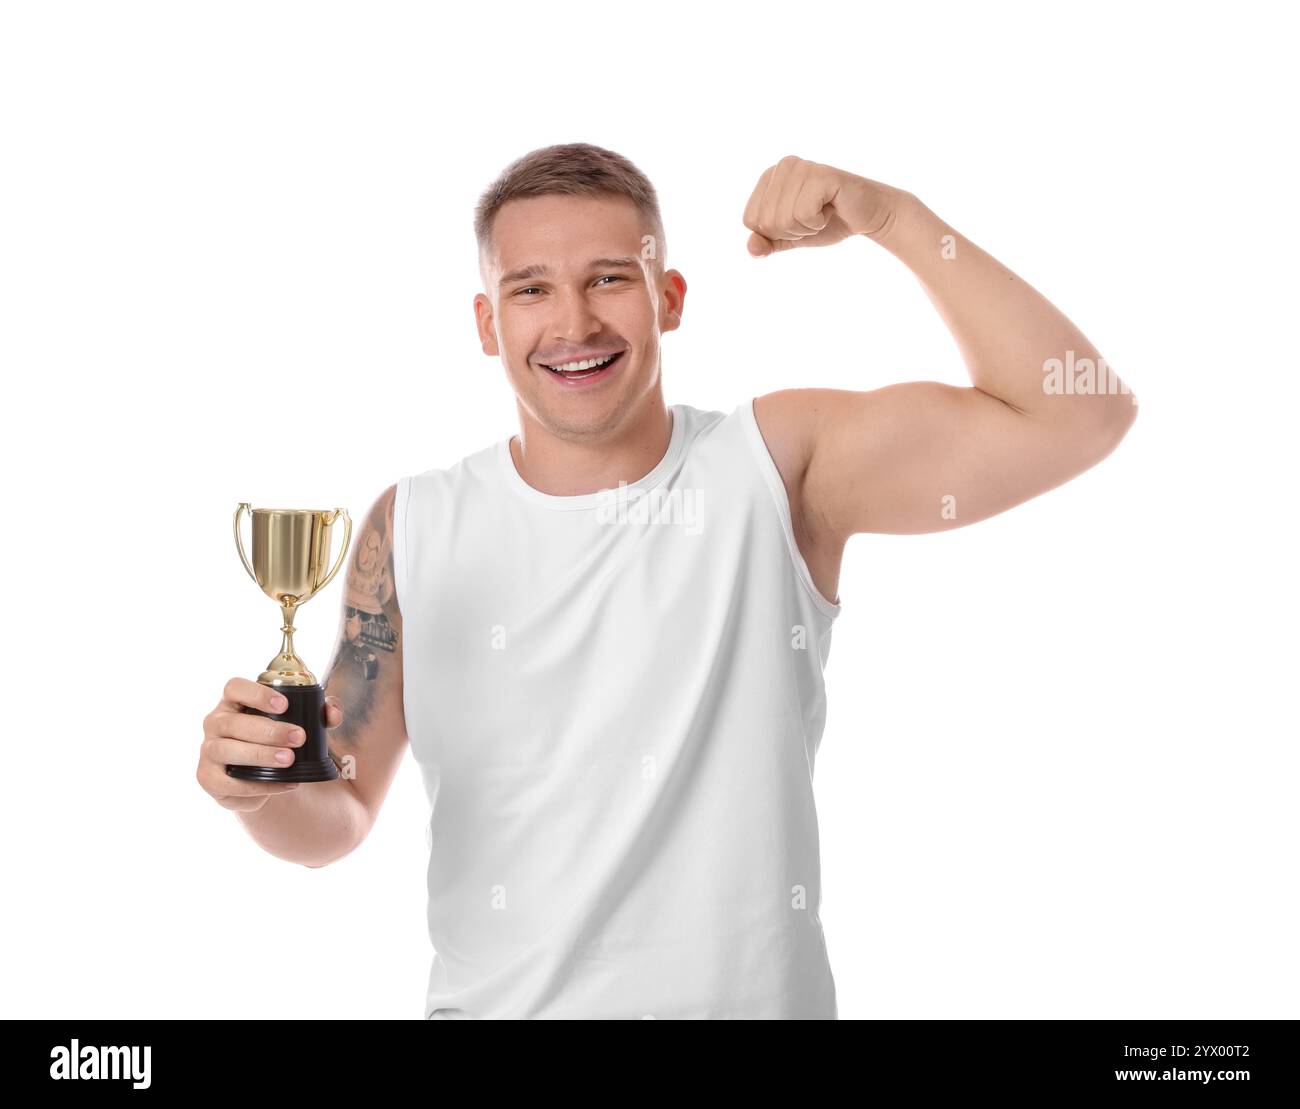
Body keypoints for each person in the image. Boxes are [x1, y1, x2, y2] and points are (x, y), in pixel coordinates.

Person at [197, 143, 1137, 1019]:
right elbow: (341, 809)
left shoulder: (774, 469)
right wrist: (260, 793)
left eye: (610, 277)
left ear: (670, 296)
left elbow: (1078, 413)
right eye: (531, 289)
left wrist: (892, 216)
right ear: (488, 322)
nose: (573, 323)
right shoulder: (413, 523)